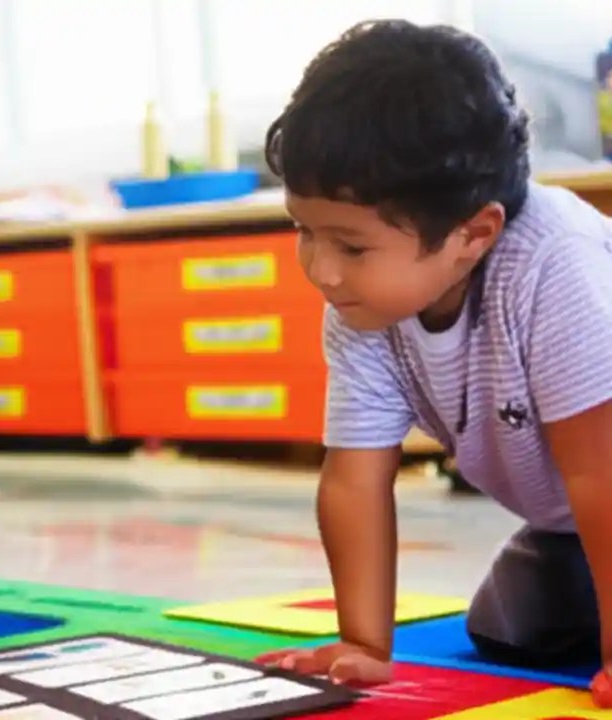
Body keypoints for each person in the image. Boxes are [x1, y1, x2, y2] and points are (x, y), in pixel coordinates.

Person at [255, 20, 612, 706]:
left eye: (351, 246)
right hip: (570, 527)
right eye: (304, 231)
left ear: (473, 234)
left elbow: (602, 475)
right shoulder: (365, 308)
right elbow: (355, 479)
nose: (321, 271)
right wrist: (364, 644)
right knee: (511, 625)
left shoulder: (556, 265)